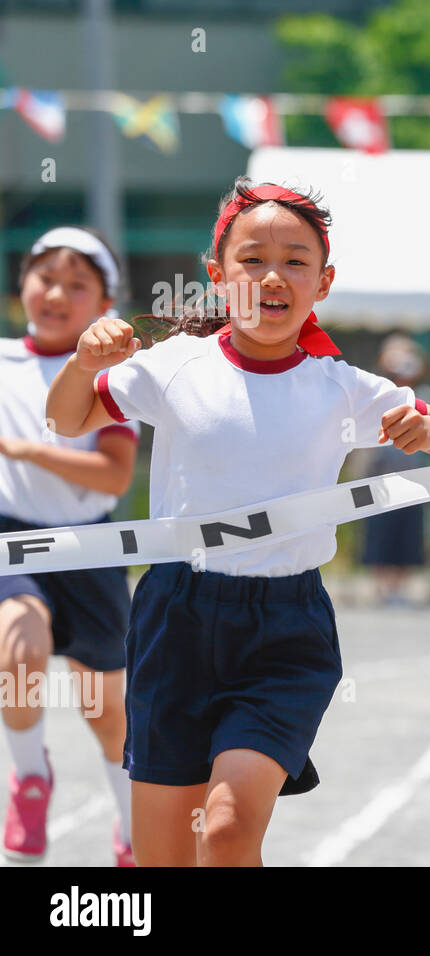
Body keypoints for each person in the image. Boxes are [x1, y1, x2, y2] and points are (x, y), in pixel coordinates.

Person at [44, 179, 430, 866]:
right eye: (252, 259)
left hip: (286, 628)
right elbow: (68, 418)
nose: (273, 276)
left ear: (323, 282)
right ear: (218, 276)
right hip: (173, 619)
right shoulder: (174, 367)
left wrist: (429, 432)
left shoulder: (340, 385)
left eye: (296, 260)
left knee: (226, 830)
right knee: (164, 858)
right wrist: (83, 362)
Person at [0, 227, 139, 865]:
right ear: (22, 283)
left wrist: (32, 451)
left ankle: (134, 832)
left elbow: (113, 476)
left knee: (106, 710)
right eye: (45, 277)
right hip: (12, 541)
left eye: (77, 284)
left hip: (89, 547)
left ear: (103, 303)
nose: (56, 293)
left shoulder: (113, 376)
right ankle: (30, 779)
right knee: (17, 656)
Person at [357, 334, 430, 606]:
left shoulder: (426, 395)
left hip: (414, 478)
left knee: (408, 532)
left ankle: (401, 586)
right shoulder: (374, 392)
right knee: (380, 530)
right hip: (379, 476)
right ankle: (382, 586)